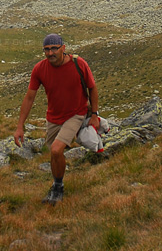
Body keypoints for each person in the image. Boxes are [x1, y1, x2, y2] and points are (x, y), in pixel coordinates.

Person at [14, 34, 100, 204]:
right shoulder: (39, 69)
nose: (50, 53)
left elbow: (92, 88)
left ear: (63, 48)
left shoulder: (79, 64)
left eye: (54, 48)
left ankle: (58, 188)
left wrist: (95, 114)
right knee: (53, 155)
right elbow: (29, 97)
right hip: (53, 117)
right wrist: (20, 126)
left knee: (56, 150)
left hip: (76, 113)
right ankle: (56, 185)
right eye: (46, 49)